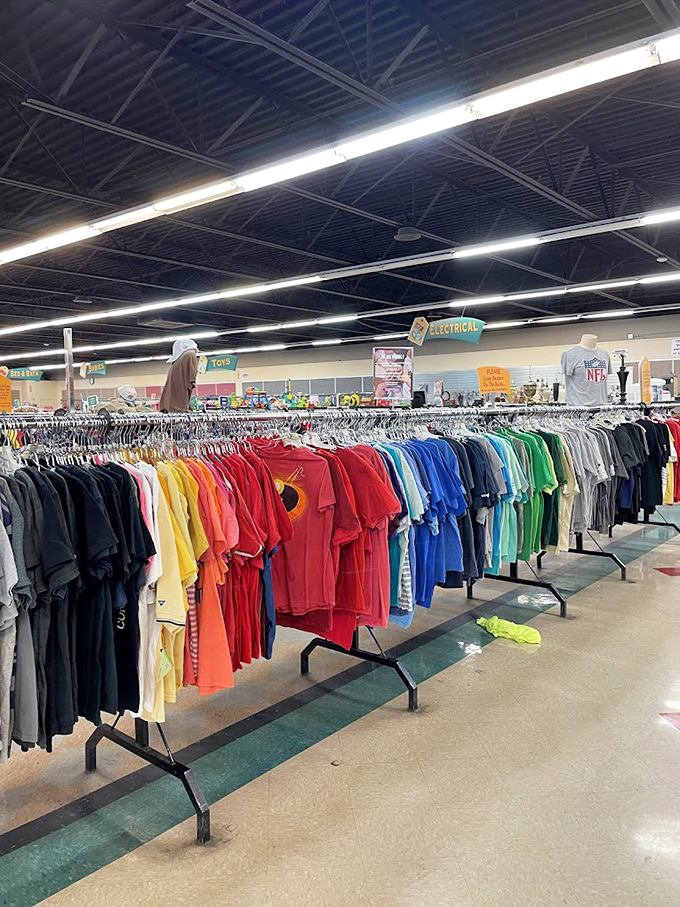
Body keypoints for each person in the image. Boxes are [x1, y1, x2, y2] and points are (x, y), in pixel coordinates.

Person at [160, 338, 200, 412]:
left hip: (168, 406)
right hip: (179, 407)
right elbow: (191, 380)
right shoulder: (189, 355)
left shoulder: (176, 363)